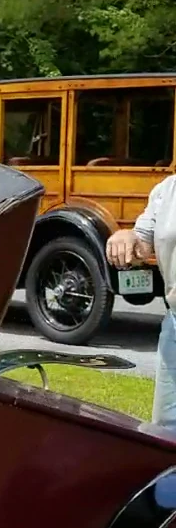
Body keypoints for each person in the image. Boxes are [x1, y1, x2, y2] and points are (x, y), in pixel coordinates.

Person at [108, 181, 176, 427]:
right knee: (167, 429)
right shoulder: (168, 190)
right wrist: (126, 237)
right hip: (175, 327)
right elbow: (142, 244)